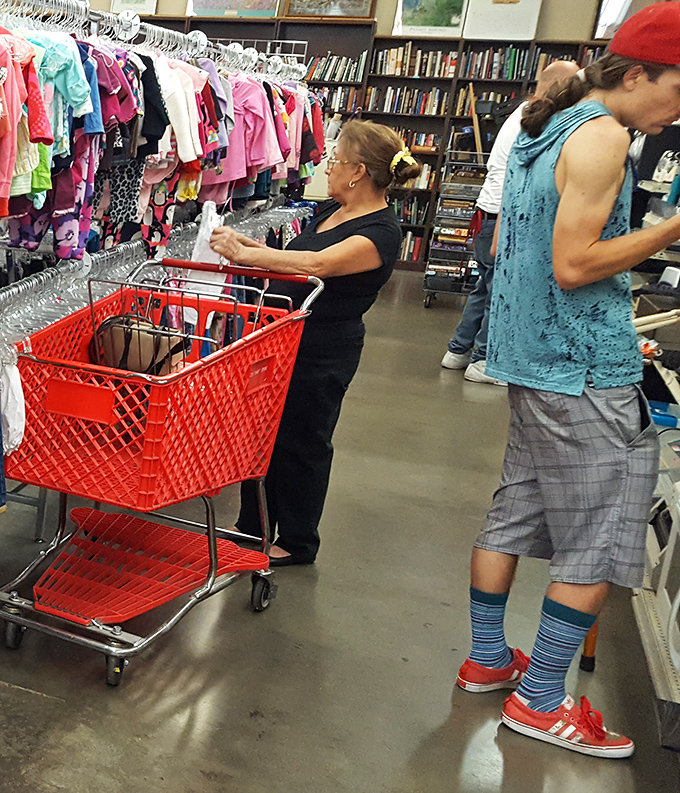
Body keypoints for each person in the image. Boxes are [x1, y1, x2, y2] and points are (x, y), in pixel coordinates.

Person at [456, 2, 680, 758]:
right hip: (581, 370)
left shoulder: (545, 119)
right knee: (597, 540)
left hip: (531, 356)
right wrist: (669, 230)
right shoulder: (604, 134)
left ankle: (490, 657)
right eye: (678, 89)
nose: (679, 110)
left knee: (517, 507)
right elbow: (575, 263)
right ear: (640, 72)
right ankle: (541, 698)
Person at [210, 120, 421, 566]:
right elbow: (293, 256)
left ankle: (298, 540)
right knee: (264, 435)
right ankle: (253, 526)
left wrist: (247, 255)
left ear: (358, 171)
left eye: (336, 159)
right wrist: (241, 242)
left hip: (323, 348)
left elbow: (318, 263)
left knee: (303, 442)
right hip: (283, 340)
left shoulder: (381, 231)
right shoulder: (332, 210)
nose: (328, 167)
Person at [441, 59, 580, 385]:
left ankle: (458, 350)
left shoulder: (524, 112)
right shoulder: (539, 119)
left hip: (489, 214)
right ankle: (484, 360)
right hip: (507, 218)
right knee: (501, 293)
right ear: (560, 86)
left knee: (485, 288)